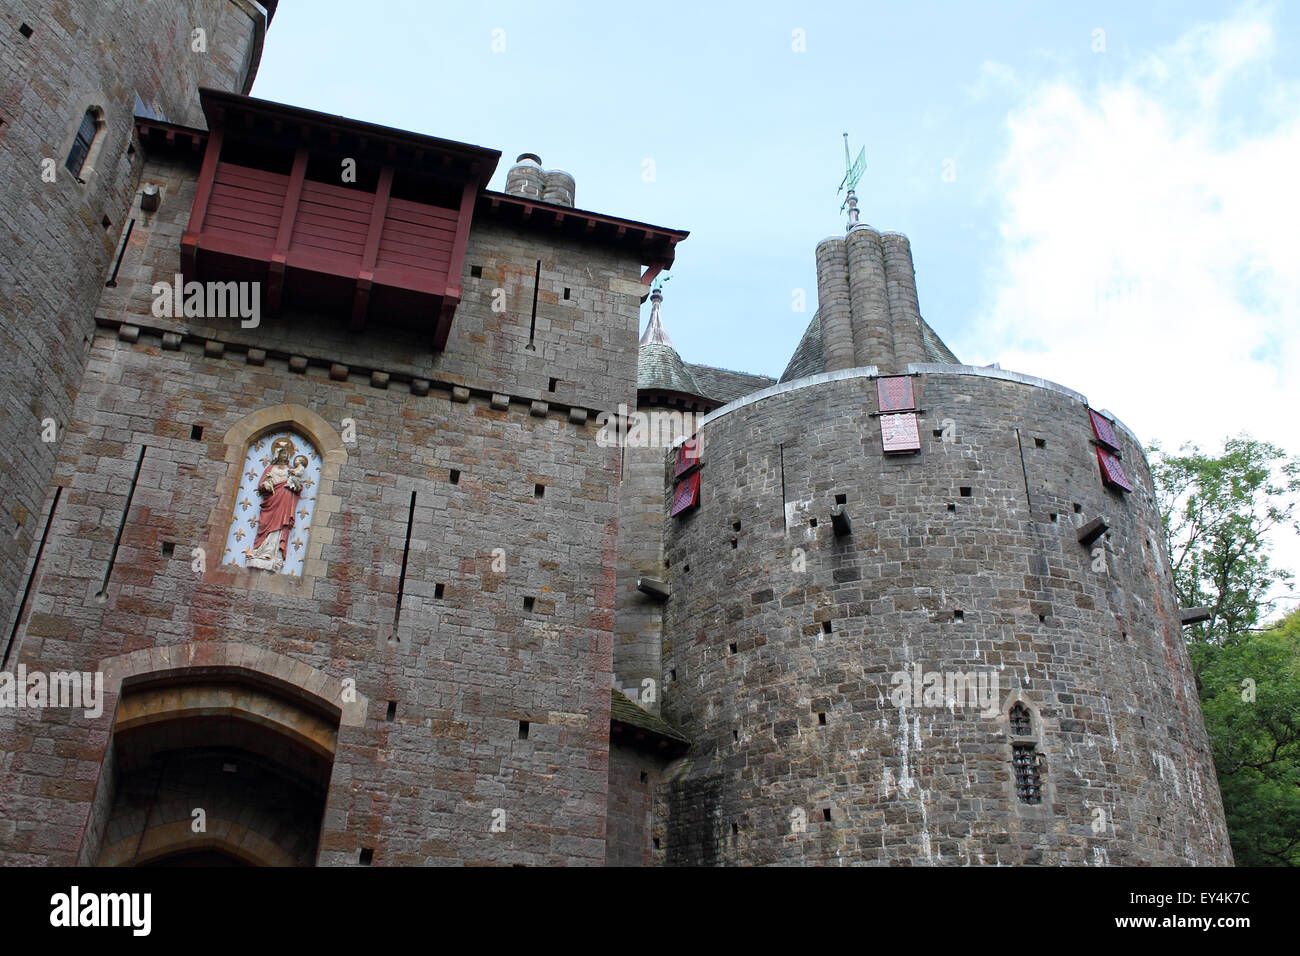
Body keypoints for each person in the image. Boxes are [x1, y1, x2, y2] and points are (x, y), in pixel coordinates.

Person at [245, 437, 303, 572]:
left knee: (279, 528)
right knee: (265, 525)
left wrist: (295, 484)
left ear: (288, 454)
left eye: (285, 453)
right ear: (276, 453)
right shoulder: (270, 468)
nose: (283, 455)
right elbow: (261, 485)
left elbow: (298, 487)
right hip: (271, 501)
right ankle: (259, 550)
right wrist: (266, 484)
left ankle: (272, 553)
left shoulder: (291, 470)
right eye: (280, 452)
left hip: (285, 501)